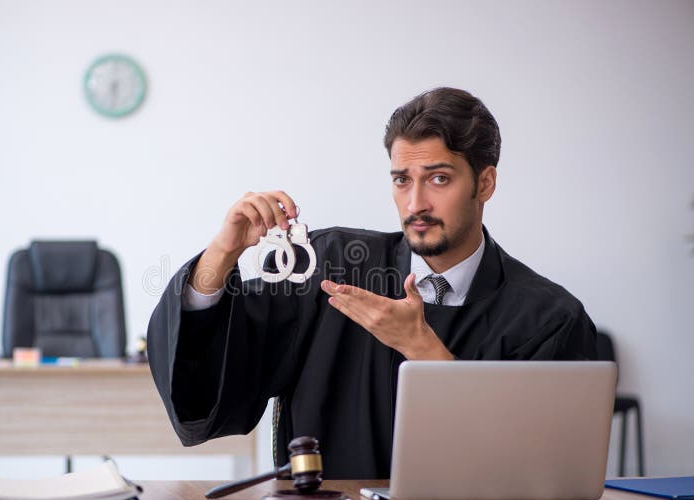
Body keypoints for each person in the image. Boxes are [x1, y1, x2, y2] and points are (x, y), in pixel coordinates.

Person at [147, 87, 598, 479]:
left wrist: (425, 351)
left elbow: (543, 470)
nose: (416, 203)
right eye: (402, 180)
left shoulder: (549, 319)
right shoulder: (327, 269)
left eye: (439, 178)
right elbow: (213, 381)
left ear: (485, 183)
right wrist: (221, 255)